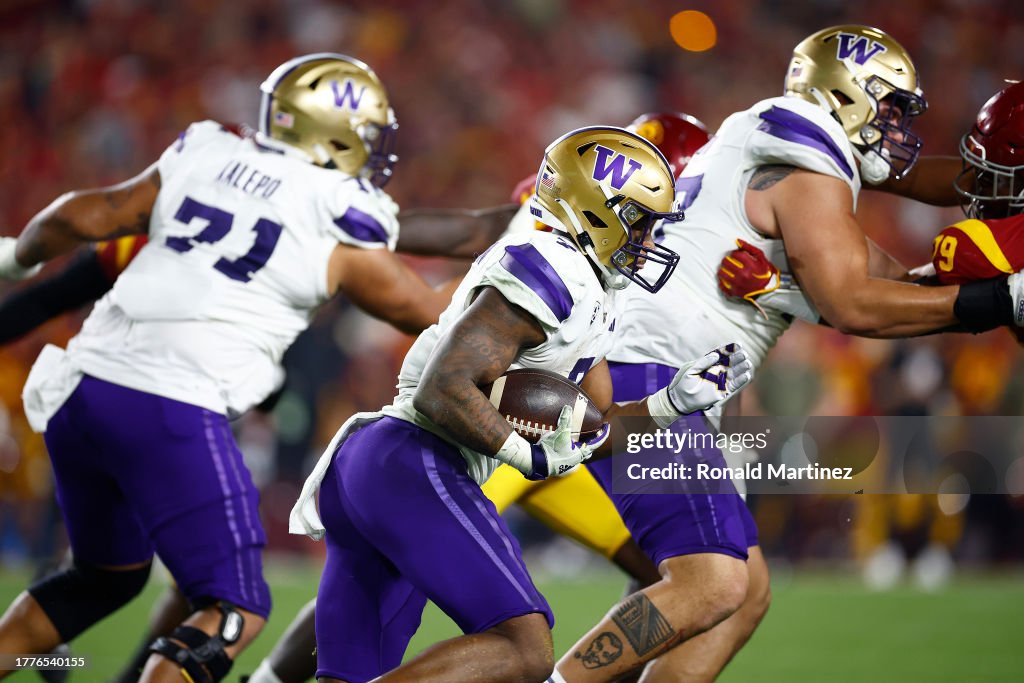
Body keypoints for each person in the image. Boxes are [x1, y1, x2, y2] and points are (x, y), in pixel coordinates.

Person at [549, 25, 1024, 683]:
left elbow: (885, 280)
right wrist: (999, 304)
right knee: (713, 582)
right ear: (846, 95)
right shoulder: (802, 148)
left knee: (740, 597)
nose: (896, 128)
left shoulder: (781, 147)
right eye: (889, 109)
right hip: (653, 374)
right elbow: (853, 305)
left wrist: (986, 285)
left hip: (671, 376)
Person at [0, 52, 480, 683]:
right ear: (333, 134)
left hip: (83, 390)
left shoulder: (207, 152)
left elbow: (75, 217)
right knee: (235, 609)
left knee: (100, 580)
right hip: (170, 406)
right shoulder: (334, 211)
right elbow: (431, 316)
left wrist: (16, 260)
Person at [241, 112, 712, 683]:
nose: (649, 238)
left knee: (347, 675)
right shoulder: (549, 266)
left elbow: (593, 424)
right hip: (414, 459)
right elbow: (445, 388)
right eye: (640, 221)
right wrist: (525, 454)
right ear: (597, 209)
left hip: (386, 467)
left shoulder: (592, 288)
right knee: (522, 646)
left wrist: (669, 404)